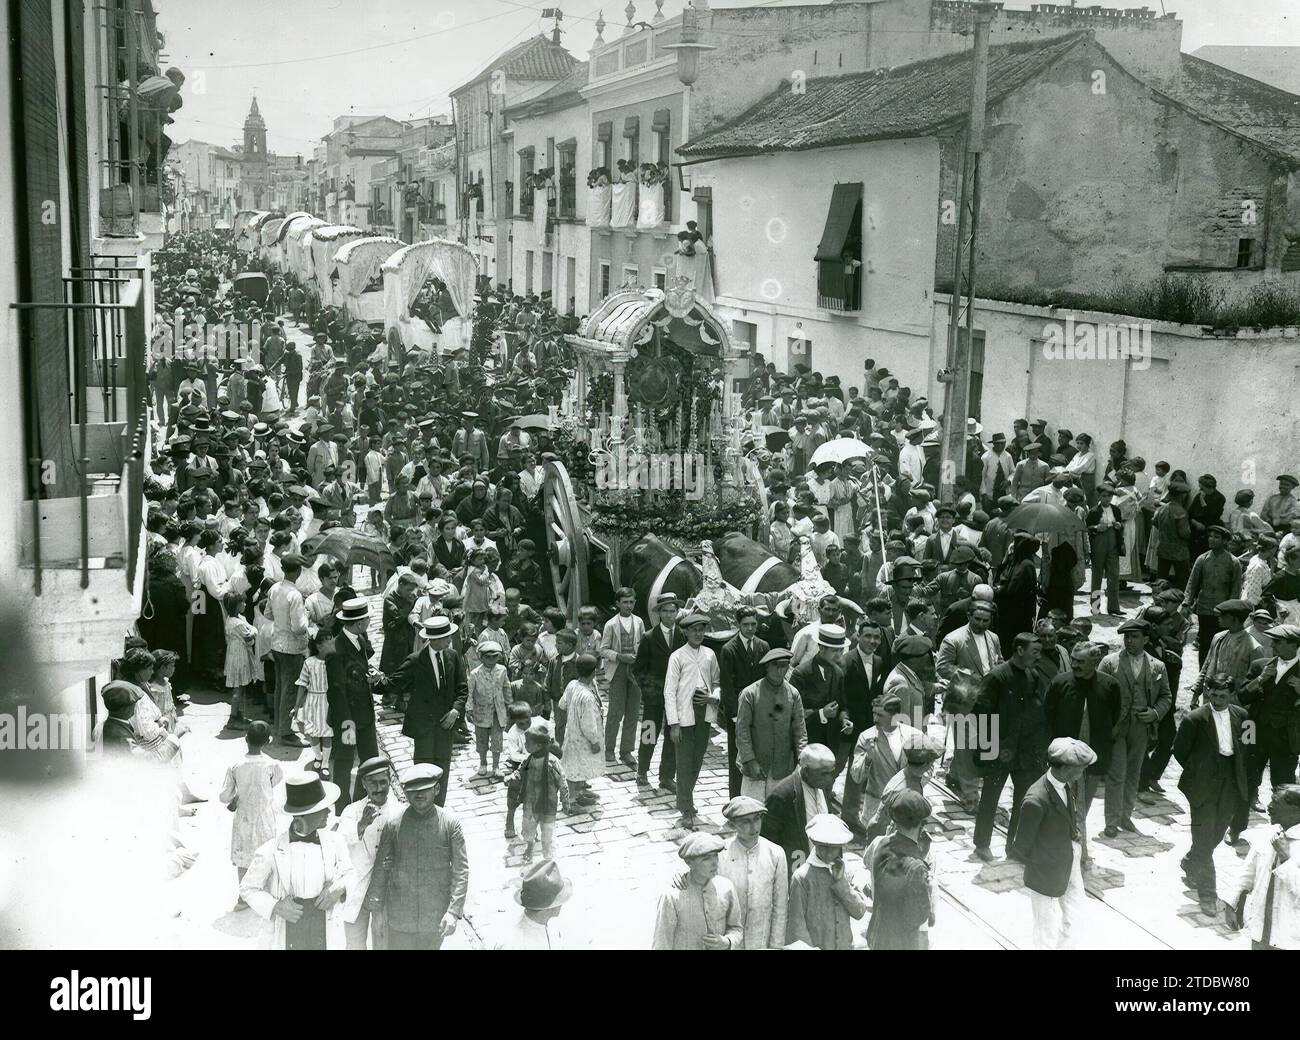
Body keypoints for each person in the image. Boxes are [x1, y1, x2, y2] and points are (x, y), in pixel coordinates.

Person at [239, 774, 354, 950]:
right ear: (302, 816)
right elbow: (247, 888)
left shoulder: (335, 841)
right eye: (322, 809)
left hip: (324, 923)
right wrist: (275, 906)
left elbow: (351, 874)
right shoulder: (270, 850)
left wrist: (339, 888)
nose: (329, 812)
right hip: (289, 926)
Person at [366, 764, 468, 950]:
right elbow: (381, 870)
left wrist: (453, 912)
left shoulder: (450, 825)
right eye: (413, 791)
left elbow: (461, 871)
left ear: (436, 789)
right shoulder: (394, 825)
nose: (419, 795)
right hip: (400, 919)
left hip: (434, 917)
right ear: (405, 793)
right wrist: (377, 913)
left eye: (425, 790)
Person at [1173, 675, 1249, 915]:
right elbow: (1179, 751)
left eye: (1223, 696)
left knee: (1216, 833)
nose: (1217, 700)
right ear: (1208, 692)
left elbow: (1250, 746)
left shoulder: (1244, 717)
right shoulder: (1194, 718)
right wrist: (1200, 771)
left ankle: (1191, 860)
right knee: (1205, 838)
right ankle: (1207, 895)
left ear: (1231, 695)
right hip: (1203, 785)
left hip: (1231, 783)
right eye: (1213, 695)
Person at [1015, 737, 1095, 949]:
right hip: (1046, 873)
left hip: (1069, 861)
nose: (1082, 773)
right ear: (1067, 768)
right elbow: (1021, 846)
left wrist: (1072, 836)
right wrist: (1050, 857)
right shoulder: (1035, 800)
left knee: (1076, 917)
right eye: (1080, 769)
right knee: (1046, 931)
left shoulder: (1065, 784)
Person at [973, 632, 1047, 861]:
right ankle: (982, 844)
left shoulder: (1033, 675)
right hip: (999, 751)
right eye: (1035, 651)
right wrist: (992, 748)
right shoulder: (996, 677)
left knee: (1023, 799)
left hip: (1024, 752)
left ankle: (1014, 846)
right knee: (990, 797)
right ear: (1020, 650)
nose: (1039, 656)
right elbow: (980, 714)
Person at [1097, 619, 1172, 837]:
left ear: (1146, 639)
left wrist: (1155, 713)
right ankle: (1111, 821)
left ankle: (1125, 816)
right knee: (1116, 773)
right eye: (1126, 637)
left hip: (1141, 727)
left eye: (1135, 637)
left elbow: (1167, 696)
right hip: (1117, 727)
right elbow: (1099, 692)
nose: (1129, 641)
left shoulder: (1157, 666)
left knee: (1133, 773)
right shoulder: (1110, 662)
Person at [387, 616, 467, 806]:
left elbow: (462, 688)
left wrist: (455, 711)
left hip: (445, 726)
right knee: (423, 770)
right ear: (435, 639)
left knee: (442, 769)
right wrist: (377, 681)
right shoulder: (416, 660)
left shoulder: (453, 656)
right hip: (423, 728)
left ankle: (439, 807)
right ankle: (422, 807)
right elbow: (394, 683)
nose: (449, 640)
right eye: (446, 637)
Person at [1044, 642, 1120, 840]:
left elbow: (1115, 716)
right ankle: (1063, 841)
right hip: (1065, 758)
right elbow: (1048, 716)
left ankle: (1075, 841)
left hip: (1094, 758)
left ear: (1094, 662)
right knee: (1062, 801)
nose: (1075, 665)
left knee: (1083, 804)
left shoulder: (1110, 685)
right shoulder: (1060, 683)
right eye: (1073, 660)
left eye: (1081, 662)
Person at [1237, 625, 1300, 839]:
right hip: (1254, 731)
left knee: (1284, 787)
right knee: (1245, 779)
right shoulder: (1260, 666)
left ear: (1293, 645)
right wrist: (1260, 680)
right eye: (1272, 641)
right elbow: (1242, 696)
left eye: (1278, 642)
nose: (1271, 645)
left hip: (1286, 738)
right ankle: (1236, 828)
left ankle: (1285, 834)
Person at [335, 757, 403, 950]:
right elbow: (339, 844)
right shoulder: (352, 811)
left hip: (388, 888)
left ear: (391, 781)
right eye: (373, 783)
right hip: (357, 888)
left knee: (385, 940)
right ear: (364, 784)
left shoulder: (400, 812)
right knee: (355, 942)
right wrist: (361, 825)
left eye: (383, 782)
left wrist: (395, 861)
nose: (379, 788)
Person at [664, 613, 722, 829]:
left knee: (696, 760)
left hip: (703, 712)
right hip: (684, 714)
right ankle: (685, 808)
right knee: (684, 762)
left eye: (701, 629)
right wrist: (674, 724)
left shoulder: (709, 655)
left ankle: (687, 799)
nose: (698, 634)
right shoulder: (677, 657)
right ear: (685, 632)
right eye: (694, 630)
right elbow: (669, 691)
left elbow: (717, 682)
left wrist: (713, 697)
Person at [1224, 785, 1300, 949]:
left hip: (1289, 937)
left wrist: (1286, 859)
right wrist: (1231, 903)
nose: (1269, 807)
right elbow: (1248, 871)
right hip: (1260, 929)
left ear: (1295, 811)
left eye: (1276, 803)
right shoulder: (1266, 833)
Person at [219, 720, 283, 909]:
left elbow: (224, 796)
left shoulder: (235, 766)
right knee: (267, 854)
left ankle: (244, 897)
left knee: (243, 858)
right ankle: (267, 893)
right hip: (265, 817)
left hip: (244, 819)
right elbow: (275, 782)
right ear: (268, 741)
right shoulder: (273, 765)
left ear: (245, 738)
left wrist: (237, 795)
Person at [735, 647, 808, 801]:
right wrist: (750, 760)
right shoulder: (750, 694)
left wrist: (802, 759)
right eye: (776, 665)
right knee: (751, 809)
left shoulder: (793, 694)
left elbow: (800, 730)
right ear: (767, 667)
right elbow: (742, 730)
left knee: (776, 811)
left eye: (785, 665)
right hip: (756, 764)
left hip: (782, 766)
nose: (781, 670)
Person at [786, 814, 868, 949]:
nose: (829, 853)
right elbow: (797, 925)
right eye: (823, 847)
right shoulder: (802, 877)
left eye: (834, 847)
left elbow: (859, 911)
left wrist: (841, 882)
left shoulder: (844, 870)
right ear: (814, 842)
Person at [651, 832, 744, 950]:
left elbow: (736, 928)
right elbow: (662, 943)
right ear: (689, 863)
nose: (714, 863)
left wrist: (727, 942)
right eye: (706, 859)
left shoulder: (726, 887)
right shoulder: (671, 897)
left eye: (715, 855)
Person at [866, 789, 934, 950]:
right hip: (900, 942)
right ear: (921, 824)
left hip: (877, 933)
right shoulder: (917, 868)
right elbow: (918, 916)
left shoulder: (881, 843)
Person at [718, 796, 789, 949]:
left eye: (757, 819)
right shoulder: (721, 854)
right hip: (729, 940)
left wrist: (776, 945)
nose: (753, 826)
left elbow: (780, 905)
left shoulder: (775, 853)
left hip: (761, 938)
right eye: (745, 822)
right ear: (732, 824)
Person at [632, 593, 686, 791]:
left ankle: (666, 776)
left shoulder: (682, 636)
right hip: (654, 697)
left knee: (673, 736)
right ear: (659, 613)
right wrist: (649, 691)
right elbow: (638, 669)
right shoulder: (649, 637)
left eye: (673, 611)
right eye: (665, 611)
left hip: (676, 697)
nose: (669, 615)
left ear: (677, 613)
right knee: (649, 733)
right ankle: (642, 771)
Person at [719, 606, 769, 798]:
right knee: (737, 757)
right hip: (738, 711)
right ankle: (736, 800)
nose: (750, 628)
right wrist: (734, 715)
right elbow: (727, 686)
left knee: (759, 752)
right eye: (746, 625)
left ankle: (756, 797)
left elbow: (767, 679)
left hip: (759, 709)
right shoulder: (729, 649)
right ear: (738, 625)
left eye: (753, 624)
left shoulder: (763, 646)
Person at [762, 743, 837, 872]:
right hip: (796, 866)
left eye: (832, 772)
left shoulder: (820, 785)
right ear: (806, 771)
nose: (831, 779)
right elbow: (767, 841)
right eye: (824, 774)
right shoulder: (782, 795)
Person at [1182, 525, 1244, 667]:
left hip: (1223, 613)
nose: (1212, 539)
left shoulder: (1234, 563)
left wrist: (1231, 611)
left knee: (1222, 644)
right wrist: (1187, 603)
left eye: (1217, 537)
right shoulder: (1202, 559)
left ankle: (1217, 678)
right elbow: (1192, 584)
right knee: (1204, 644)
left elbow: (1236, 589)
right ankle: (1201, 679)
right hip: (1204, 609)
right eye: (1210, 536)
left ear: (1225, 541)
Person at [599, 586, 645, 770]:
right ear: (617, 603)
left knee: (633, 711)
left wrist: (639, 659)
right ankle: (609, 747)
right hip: (618, 669)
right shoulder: (611, 624)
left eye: (631, 602)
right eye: (624, 602)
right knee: (616, 710)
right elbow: (602, 650)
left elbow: (642, 644)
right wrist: (619, 656)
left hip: (634, 670)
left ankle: (626, 751)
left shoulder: (639, 622)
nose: (628, 605)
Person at [511, 717, 569, 862]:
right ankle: (530, 846)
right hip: (530, 802)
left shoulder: (552, 762)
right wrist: (514, 776)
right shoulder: (529, 759)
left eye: (527, 743)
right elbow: (520, 770)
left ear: (537, 746)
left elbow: (562, 782)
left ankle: (547, 852)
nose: (525, 745)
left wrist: (565, 801)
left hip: (548, 804)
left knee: (547, 831)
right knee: (528, 828)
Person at [560, 653, 605, 807]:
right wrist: (594, 741)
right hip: (583, 737)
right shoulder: (587, 696)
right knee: (573, 768)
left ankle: (579, 793)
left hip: (571, 732)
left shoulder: (572, 684)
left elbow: (562, 704)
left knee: (578, 766)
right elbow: (588, 723)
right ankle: (571, 800)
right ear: (594, 672)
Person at [495, 859, 571, 950]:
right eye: (559, 899)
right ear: (547, 907)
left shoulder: (553, 927)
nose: (562, 904)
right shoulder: (513, 944)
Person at [293, 629, 334, 776]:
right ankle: (318, 756)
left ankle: (325, 762)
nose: (333, 642)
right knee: (313, 733)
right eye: (329, 641)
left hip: (328, 701)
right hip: (313, 701)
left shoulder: (333, 661)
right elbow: (302, 684)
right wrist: (297, 706)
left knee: (327, 732)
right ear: (319, 646)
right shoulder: (309, 663)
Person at [468, 641, 510, 780]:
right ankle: (483, 763)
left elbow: (506, 687)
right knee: (482, 739)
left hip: (497, 712)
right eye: (488, 657)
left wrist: (509, 704)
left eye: (494, 657)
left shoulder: (502, 670)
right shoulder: (475, 674)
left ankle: (496, 766)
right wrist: (469, 709)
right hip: (481, 711)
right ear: (481, 657)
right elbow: (469, 692)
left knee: (497, 740)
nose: (491, 660)